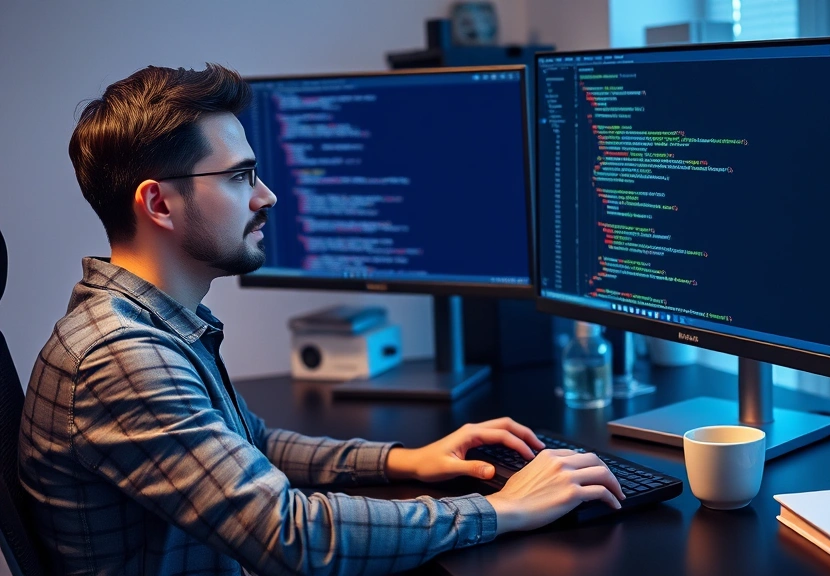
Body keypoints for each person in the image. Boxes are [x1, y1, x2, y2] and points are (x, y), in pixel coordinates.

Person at [19, 64, 625, 576]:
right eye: (239, 177)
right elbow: (290, 535)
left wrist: (404, 460)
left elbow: (251, 444)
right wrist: (504, 509)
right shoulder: (120, 355)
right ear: (158, 203)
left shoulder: (152, 323)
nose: (267, 196)